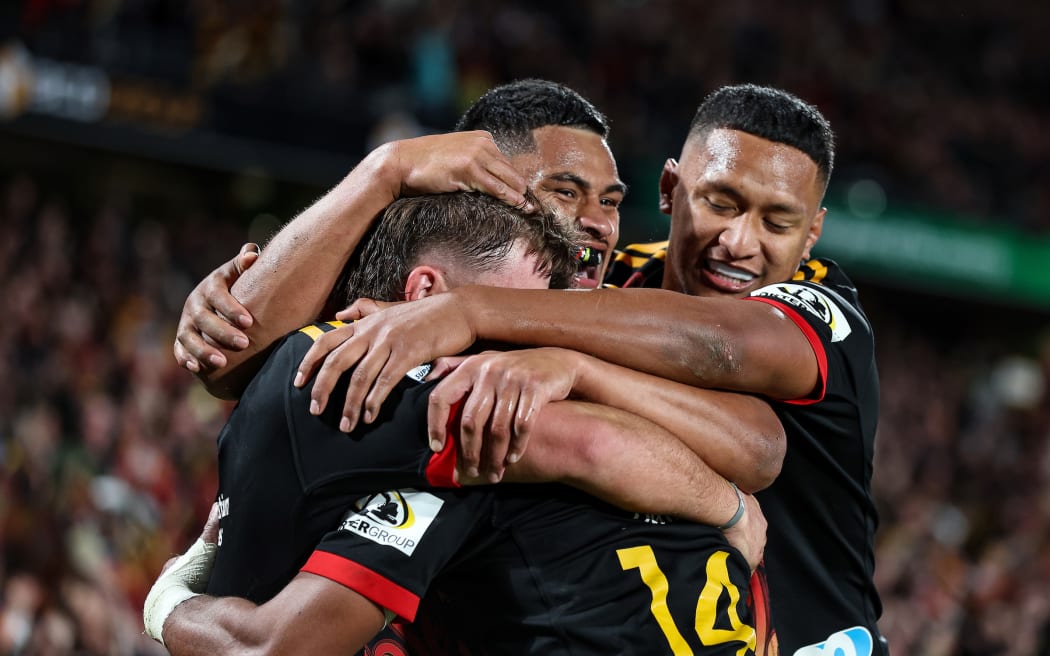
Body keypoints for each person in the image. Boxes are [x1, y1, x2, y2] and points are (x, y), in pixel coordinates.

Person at [277, 84, 887, 655]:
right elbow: (267, 343)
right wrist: (240, 294)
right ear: (671, 189)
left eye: (778, 223)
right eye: (720, 203)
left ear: (813, 232)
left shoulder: (825, 312)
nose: (739, 242)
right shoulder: (606, 287)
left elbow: (725, 354)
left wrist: (478, 316)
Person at [145, 190, 762, 655]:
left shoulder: (426, 477)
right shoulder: (355, 370)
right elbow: (592, 445)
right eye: (496, 314)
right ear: (424, 292)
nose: (512, 341)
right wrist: (728, 506)